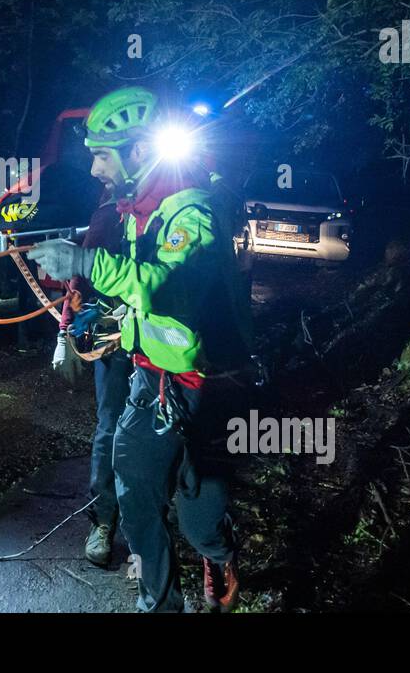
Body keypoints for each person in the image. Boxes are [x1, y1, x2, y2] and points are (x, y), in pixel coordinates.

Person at [28, 87, 255, 613]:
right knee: (134, 494)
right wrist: (93, 322)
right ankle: (159, 603)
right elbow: (135, 292)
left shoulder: (191, 211)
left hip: (203, 387)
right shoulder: (135, 210)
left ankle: (216, 554)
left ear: (137, 153)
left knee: (200, 517)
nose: (92, 169)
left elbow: (165, 288)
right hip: (149, 380)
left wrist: (84, 263)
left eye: (101, 154)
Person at [53, 181, 131, 569]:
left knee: (162, 428)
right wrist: (64, 331)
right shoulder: (110, 214)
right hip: (115, 339)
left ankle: (155, 527)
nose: (96, 171)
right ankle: (103, 520)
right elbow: (79, 281)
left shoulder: (178, 210)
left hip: (163, 343)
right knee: (111, 425)